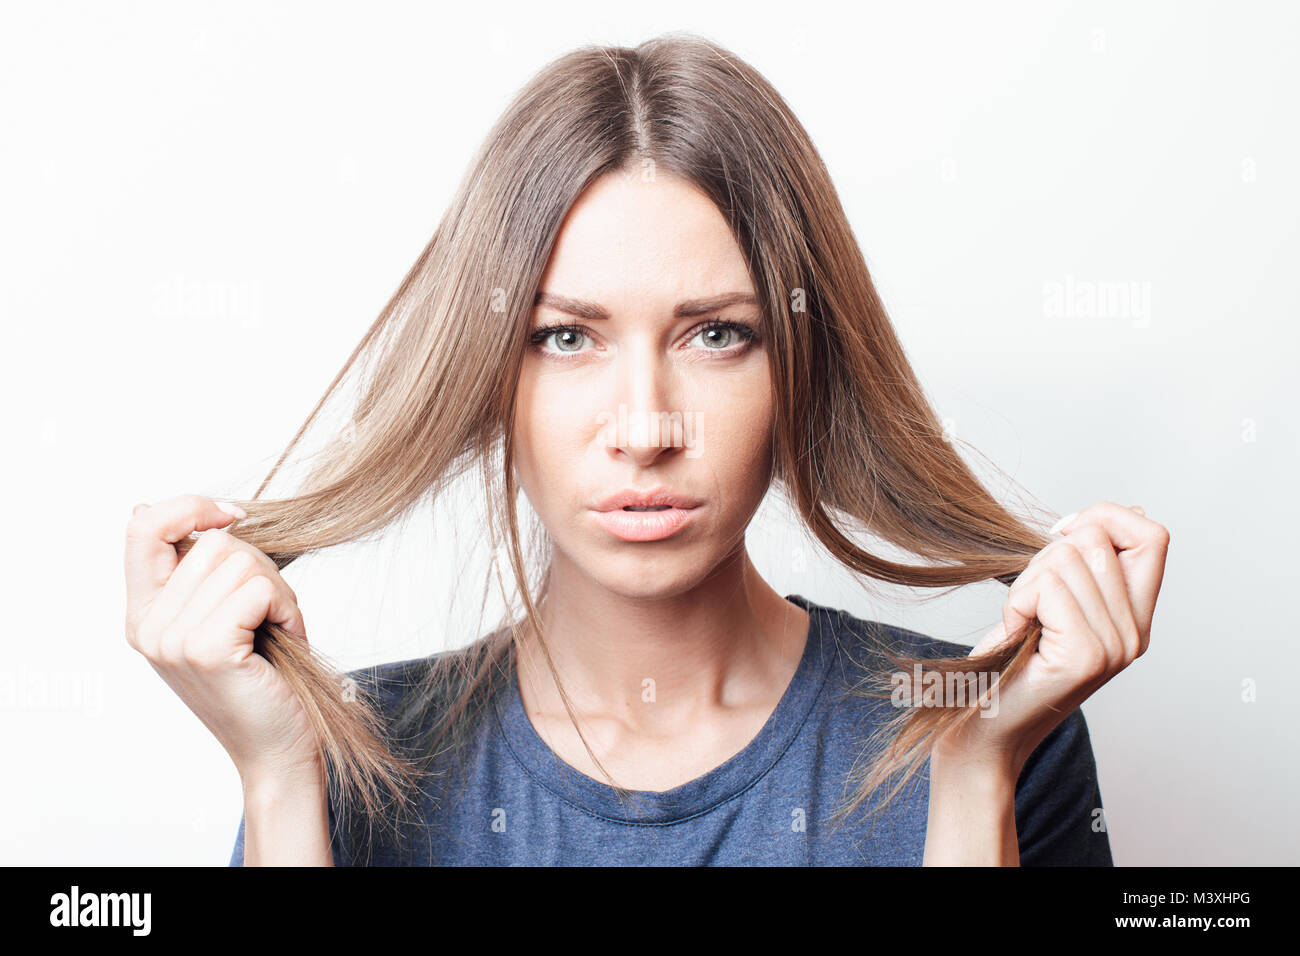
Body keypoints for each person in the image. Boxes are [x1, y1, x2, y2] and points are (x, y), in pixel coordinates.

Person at [122, 33, 1169, 866]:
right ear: (488, 375)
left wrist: (978, 774)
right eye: (565, 336)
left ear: (798, 362)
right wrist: (274, 775)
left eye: (716, 333)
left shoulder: (979, 721)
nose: (644, 427)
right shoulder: (353, 749)